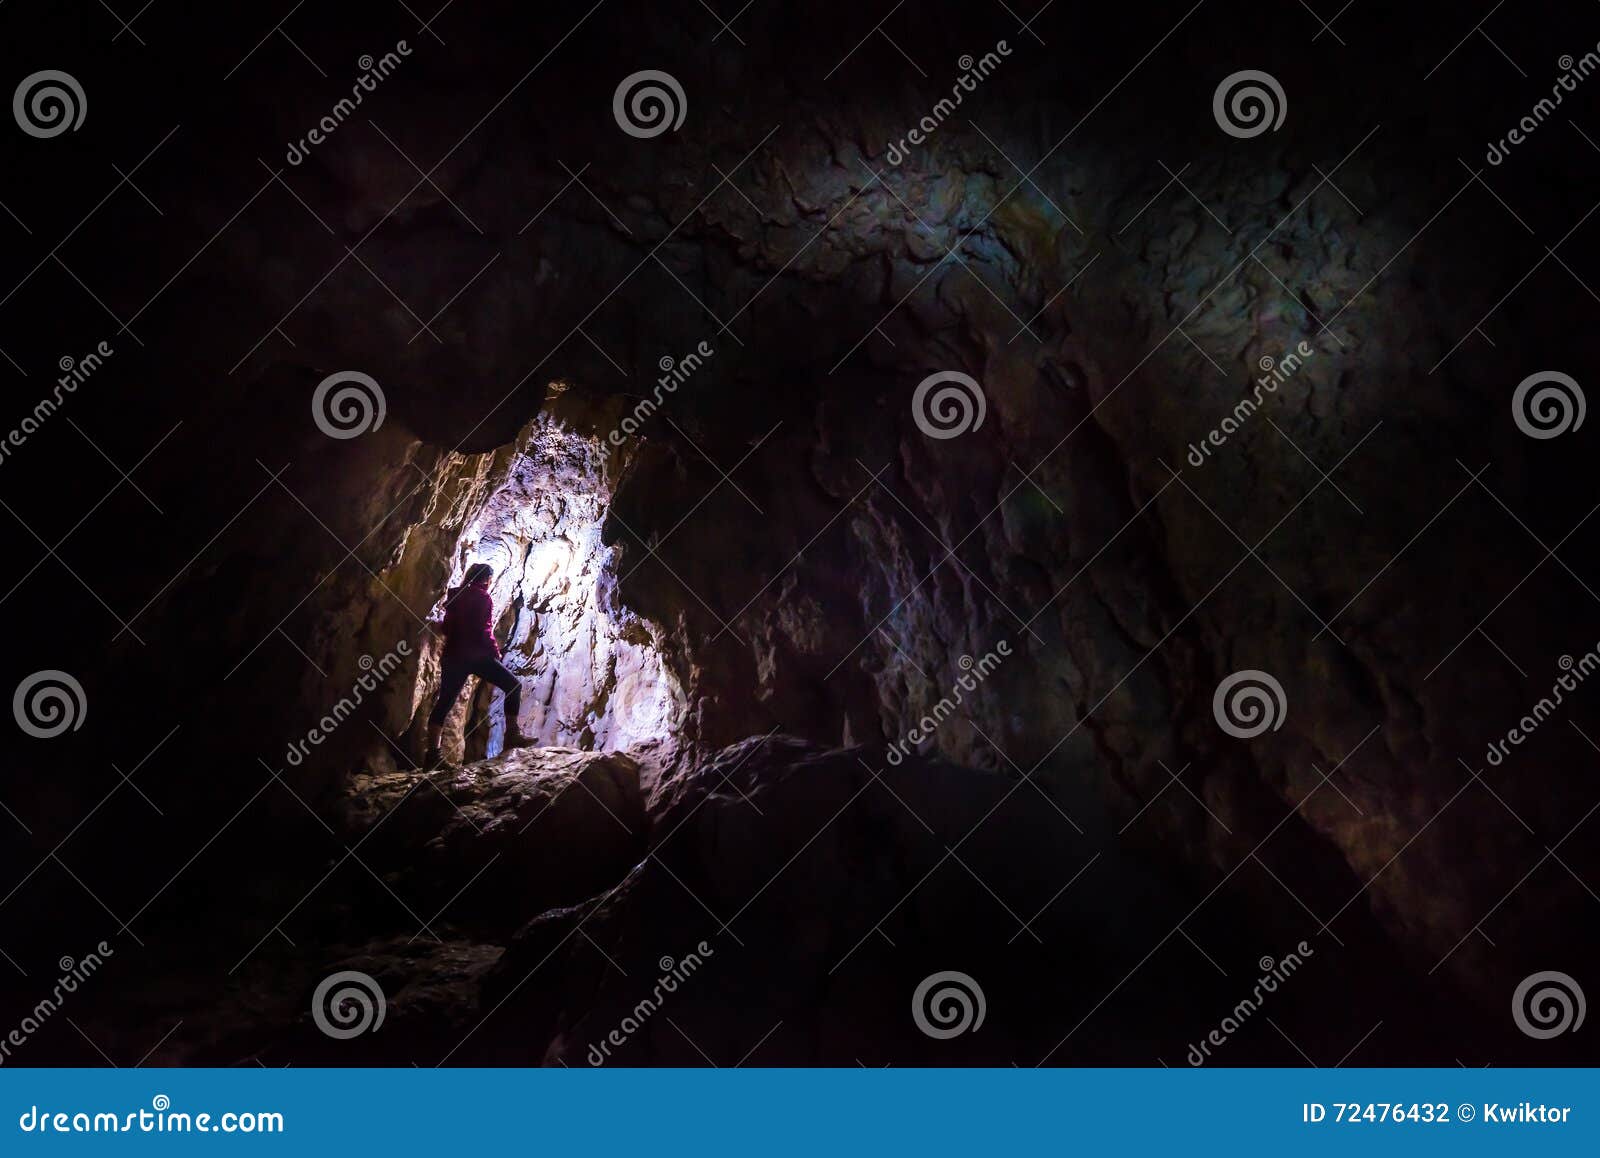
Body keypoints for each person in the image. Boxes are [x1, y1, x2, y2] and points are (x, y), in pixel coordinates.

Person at [423, 563, 535, 768]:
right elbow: (484, 629)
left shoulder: (456, 596)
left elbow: (447, 627)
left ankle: (432, 756)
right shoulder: (483, 597)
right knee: (513, 686)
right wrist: (494, 652)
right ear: (488, 579)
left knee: (444, 703)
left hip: (454, 656)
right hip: (477, 656)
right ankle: (511, 735)